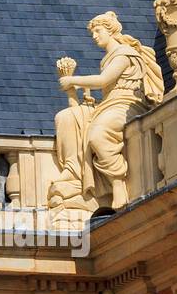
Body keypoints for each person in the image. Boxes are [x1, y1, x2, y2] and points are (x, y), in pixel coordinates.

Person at [52, 12, 164, 211]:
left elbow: (103, 81)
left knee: (96, 135)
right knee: (68, 117)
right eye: (93, 32)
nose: (95, 36)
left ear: (111, 30)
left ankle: (117, 182)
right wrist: (74, 90)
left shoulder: (125, 53)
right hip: (108, 105)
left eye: (98, 31)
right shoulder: (108, 59)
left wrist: (73, 81)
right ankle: (75, 176)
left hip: (127, 104)